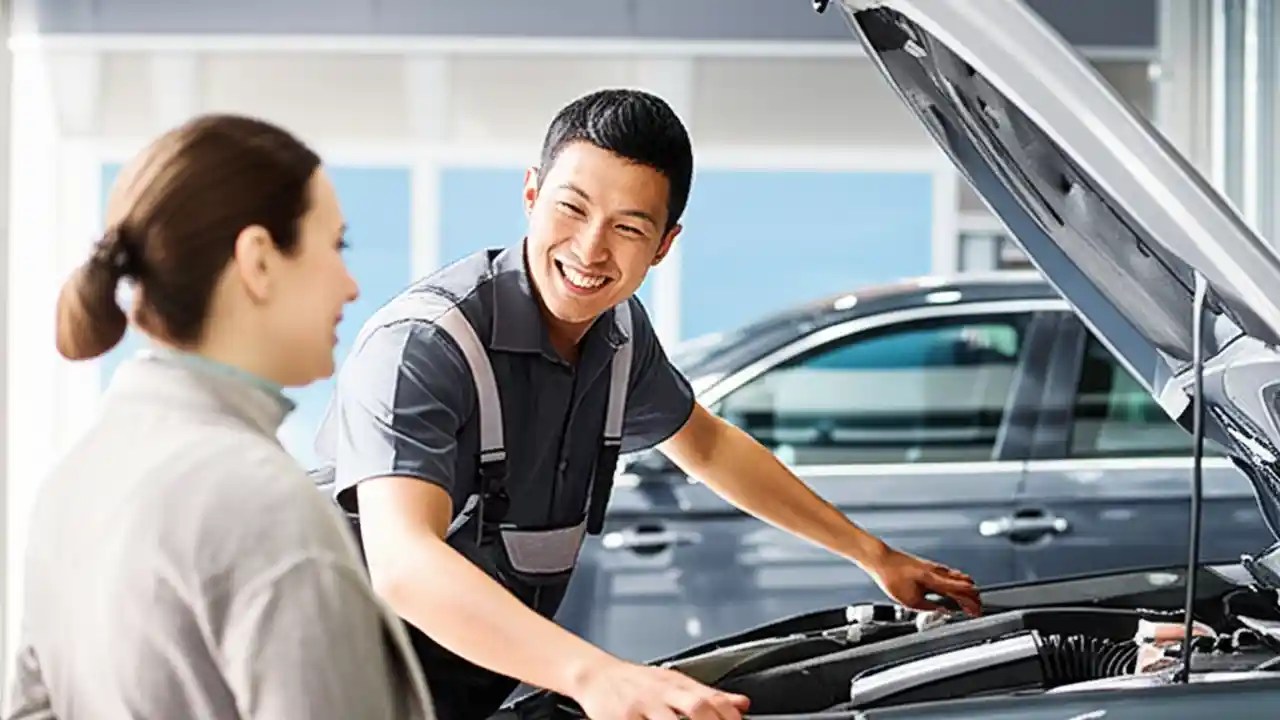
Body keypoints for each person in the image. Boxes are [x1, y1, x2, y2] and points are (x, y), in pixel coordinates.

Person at [314, 88, 981, 720]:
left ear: (664, 245)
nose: (590, 249)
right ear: (530, 193)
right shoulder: (426, 345)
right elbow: (404, 562)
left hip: (457, 693)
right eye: (571, 209)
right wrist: (596, 675)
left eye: (628, 228)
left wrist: (872, 554)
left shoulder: (619, 336)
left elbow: (709, 445)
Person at [5, 114, 435, 720]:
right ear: (258, 261)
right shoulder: (266, 507)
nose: (350, 285)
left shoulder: (73, 482)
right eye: (335, 246)